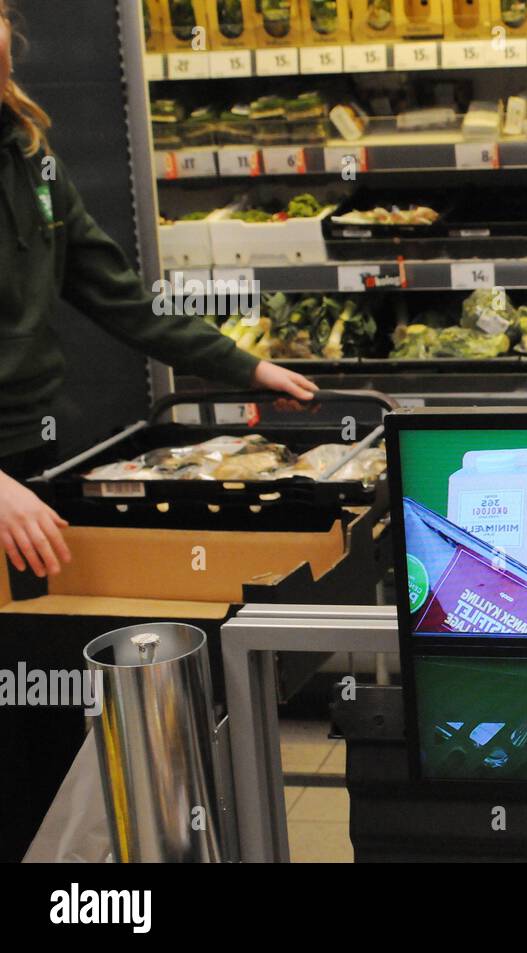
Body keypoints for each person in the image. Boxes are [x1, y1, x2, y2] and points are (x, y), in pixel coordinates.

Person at [0, 0, 317, 580]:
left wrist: (241, 366)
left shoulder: (27, 158)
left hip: (30, 447)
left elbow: (118, 295)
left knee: (33, 627)